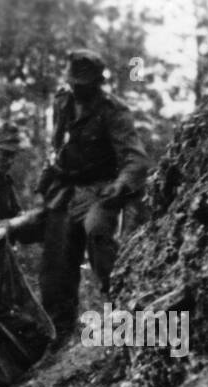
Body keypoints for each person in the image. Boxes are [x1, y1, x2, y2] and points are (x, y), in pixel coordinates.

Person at [37, 49, 150, 342]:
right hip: (65, 189)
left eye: (84, 84)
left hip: (100, 188)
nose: (78, 89)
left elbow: (135, 159)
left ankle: (123, 310)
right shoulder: (63, 103)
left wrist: (121, 184)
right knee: (56, 262)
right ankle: (58, 334)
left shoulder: (113, 111)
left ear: (97, 83)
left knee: (97, 232)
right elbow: (57, 143)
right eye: (74, 83)